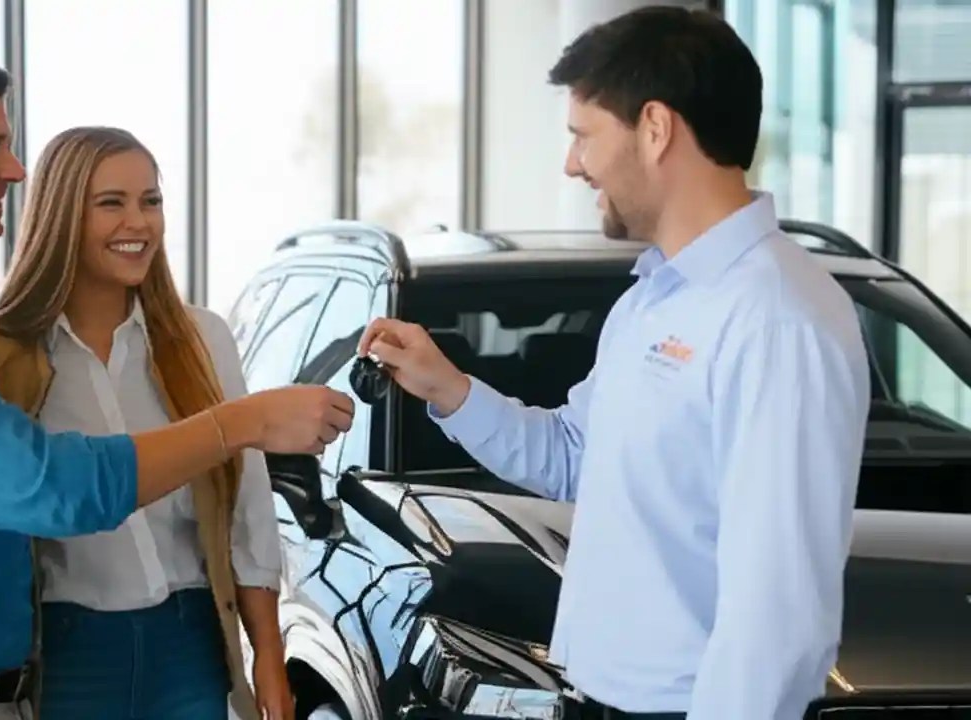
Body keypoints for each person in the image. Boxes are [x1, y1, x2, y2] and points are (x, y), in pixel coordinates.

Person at [0, 46, 352, 720]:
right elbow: (50, 487)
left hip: (2, 690)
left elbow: (239, 517)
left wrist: (265, 654)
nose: (14, 170)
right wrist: (243, 422)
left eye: (150, 200)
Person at [358, 7, 869, 720]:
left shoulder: (778, 319)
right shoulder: (650, 301)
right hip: (601, 699)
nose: (572, 164)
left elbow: (778, 616)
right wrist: (450, 390)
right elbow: (576, 457)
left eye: (583, 135)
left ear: (655, 128)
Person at [0, 126, 293, 720]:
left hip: (190, 646)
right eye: (111, 203)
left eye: (151, 201)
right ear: (61, 217)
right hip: (64, 653)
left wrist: (268, 656)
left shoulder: (202, 339)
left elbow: (249, 508)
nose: (138, 223)